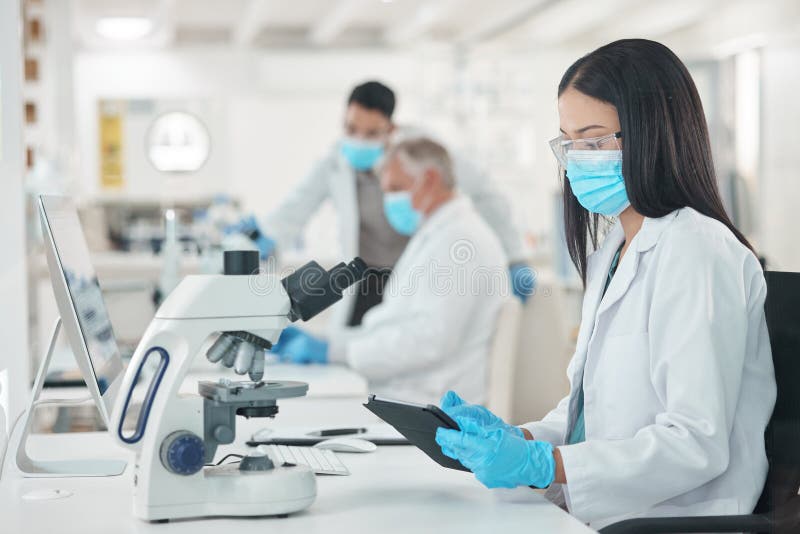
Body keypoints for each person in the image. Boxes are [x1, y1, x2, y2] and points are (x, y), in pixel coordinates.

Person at [434, 38, 776, 529]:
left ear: (652, 134)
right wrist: (520, 439)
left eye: (594, 141)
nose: (578, 159)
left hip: (676, 519)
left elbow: (695, 441)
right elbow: (591, 417)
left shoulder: (699, 251)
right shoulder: (613, 251)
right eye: (569, 142)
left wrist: (545, 464)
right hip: (613, 512)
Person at [234, 81, 533, 333]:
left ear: (391, 128)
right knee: (360, 352)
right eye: (351, 129)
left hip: (415, 274)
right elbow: (297, 205)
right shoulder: (335, 161)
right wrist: (268, 236)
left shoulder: (419, 152)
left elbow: (484, 191)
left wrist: (514, 255)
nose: (358, 140)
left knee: (405, 349)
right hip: (364, 280)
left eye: (371, 133)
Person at [270, 137, 508, 404]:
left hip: (431, 405)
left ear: (429, 179)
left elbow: (428, 342)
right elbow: (394, 326)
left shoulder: (460, 242)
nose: (389, 202)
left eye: (396, 189)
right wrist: (329, 342)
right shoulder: (437, 234)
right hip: (408, 392)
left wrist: (336, 352)